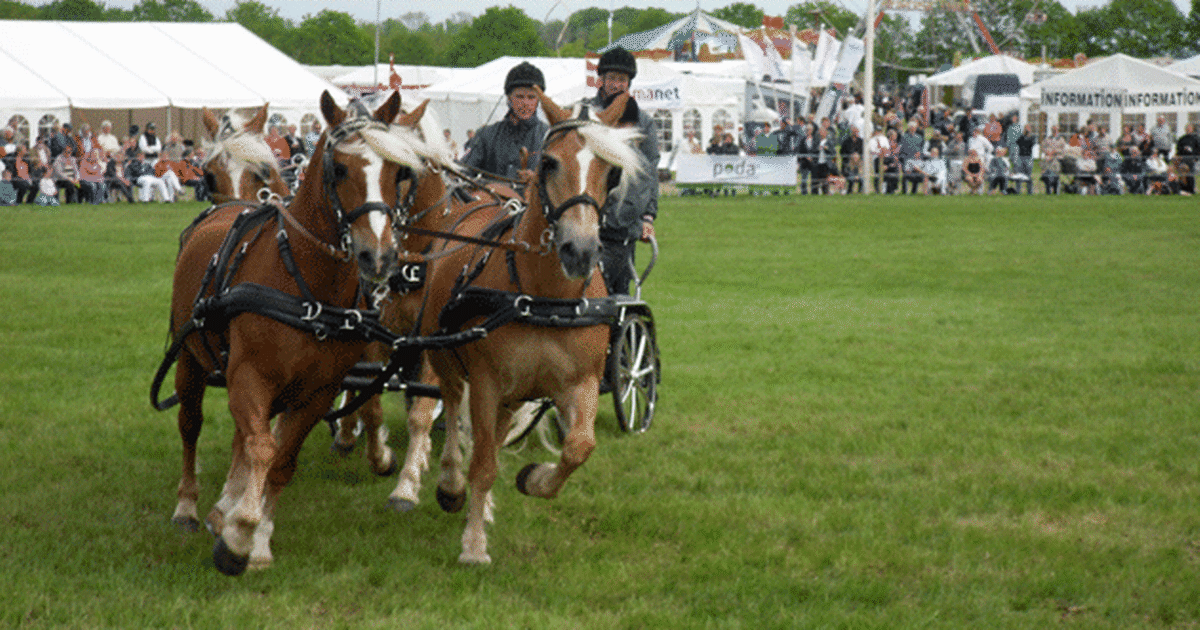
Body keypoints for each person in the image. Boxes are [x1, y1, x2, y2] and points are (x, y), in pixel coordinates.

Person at [583, 46, 659, 296]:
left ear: (629, 84)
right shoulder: (586, 115)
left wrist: (648, 218)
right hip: (586, 214)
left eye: (622, 80)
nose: (616, 85)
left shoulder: (643, 122)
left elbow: (649, 172)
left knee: (617, 292)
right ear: (601, 80)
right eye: (612, 79)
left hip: (622, 220)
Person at [462, 61, 550, 182]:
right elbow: (463, 173)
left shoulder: (549, 137)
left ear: (538, 100)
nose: (525, 103)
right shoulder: (485, 135)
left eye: (531, 97)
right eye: (519, 96)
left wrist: (536, 179)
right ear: (509, 98)